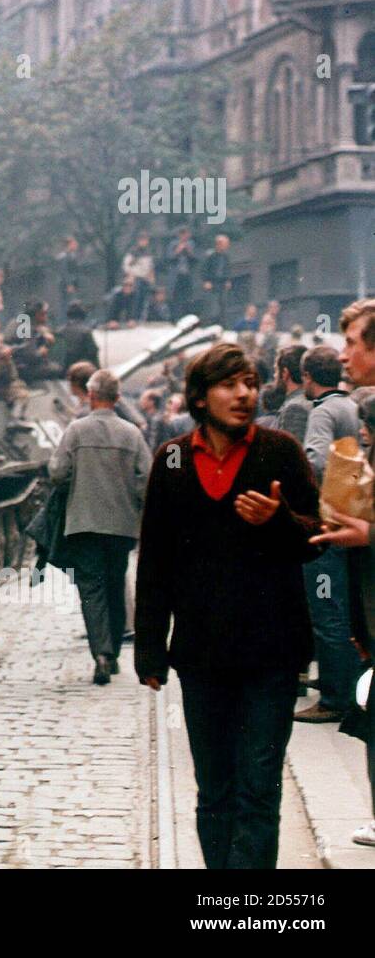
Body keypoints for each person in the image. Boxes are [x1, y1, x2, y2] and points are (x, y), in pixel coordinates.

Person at [136, 343, 322, 869]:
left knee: (258, 788)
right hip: (202, 655)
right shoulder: (171, 459)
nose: (244, 395)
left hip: (272, 652)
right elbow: (155, 562)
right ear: (199, 396)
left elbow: (318, 540)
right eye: (229, 384)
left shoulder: (280, 451)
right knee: (214, 790)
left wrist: (279, 520)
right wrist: (150, 646)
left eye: (250, 383)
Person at [50, 369, 151, 683]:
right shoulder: (132, 433)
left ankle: (102, 653)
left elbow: (57, 471)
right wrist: (134, 504)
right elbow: (146, 477)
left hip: (84, 522)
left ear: (91, 396)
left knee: (91, 588)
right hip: (121, 525)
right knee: (115, 583)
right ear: (118, 398)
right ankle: (115, 653)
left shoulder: (76, 430)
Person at [295, 345, 362, 723]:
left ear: (307, 377)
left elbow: (315, 459)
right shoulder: (352, 406)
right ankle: (347, 687)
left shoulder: (322, 412)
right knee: (345, 609)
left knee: (325, 608)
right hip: (354, 522)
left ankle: (336, 698)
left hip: (329, 525)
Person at [272, 345, 311, 446]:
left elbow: (289, 454)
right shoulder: (307, 401)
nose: (274, 376)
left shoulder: (294, 407)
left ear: (285, 373)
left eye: (276, 371)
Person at [48, 301, 100, 370]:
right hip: (81, 370)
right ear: (83, 315)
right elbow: (93, 354)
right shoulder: (85, 332)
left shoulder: (59, 332)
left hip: (61, 370)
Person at [122, 232, 156, 320]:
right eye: (142, 240)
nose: (144, 242)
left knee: (143, 300)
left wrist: (151, 277)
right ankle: (133, 318)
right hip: (135, 278)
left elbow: (150, 266)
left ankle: (141, 318)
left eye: (146, 240)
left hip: (145, 278)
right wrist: (130, 275)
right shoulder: (133, 252)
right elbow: (126, 265)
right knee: (135, 299)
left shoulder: (148, 252)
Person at [202, 234, 233, 326]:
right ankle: (209, 323)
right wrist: (206, 281)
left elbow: (227, 269)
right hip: (212, 282)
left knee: (223, 303)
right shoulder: (210, 255)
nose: (227, 246)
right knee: (212, 305)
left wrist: (228, 280)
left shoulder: (226, 256)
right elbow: (204, 269)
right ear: (219, 244)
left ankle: (222, 324)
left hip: (222, 283)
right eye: (225, 243)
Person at [168, 227, 198, 319]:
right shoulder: (173, 244)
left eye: (186, 234)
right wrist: (178, 250)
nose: (184, 236)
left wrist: (189, 251)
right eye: (182, 234)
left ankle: (187, 316)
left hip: (188, 275)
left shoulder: (191, 244)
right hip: (177, 275)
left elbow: (195, 259)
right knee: (176, 297)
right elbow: (169, 258)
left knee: (188, 297)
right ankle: (176, 317)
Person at [56, 237, 82, 316]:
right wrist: (69, 284)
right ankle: (63, 324)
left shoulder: (72, 255)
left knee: (73, 304)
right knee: (65, 305)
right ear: (69, 245)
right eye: (74, 243)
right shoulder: (63, 257)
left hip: (73, 284)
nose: (76, 245)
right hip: (66, 285)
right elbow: (64, 272)